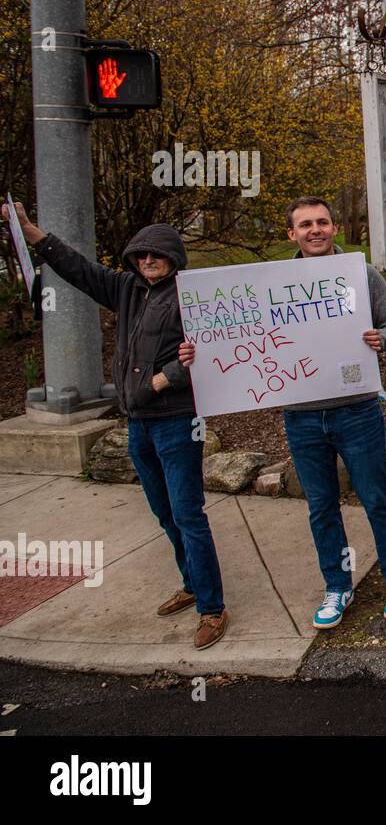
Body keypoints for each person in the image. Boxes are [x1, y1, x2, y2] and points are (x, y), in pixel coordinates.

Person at [4, 202, 229, 649]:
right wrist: (32, 233)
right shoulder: (126, 290)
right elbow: (79, 269)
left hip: (176, 422)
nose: (148, 261)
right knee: (165, 513)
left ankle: (212, 607)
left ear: (174, 258)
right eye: (141, 255)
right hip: (138, 425)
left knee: (188, 514)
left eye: (157, 254)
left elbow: (217, 346)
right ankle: (192, 583)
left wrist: (166, 378)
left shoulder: (193, 296)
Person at [182, 197, 386, 630]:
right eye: (305, 224)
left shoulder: (362, 276)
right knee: (321, 506)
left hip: (357, 410)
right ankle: (337, 585)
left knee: (377, 499)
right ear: (292, 234)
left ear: (334, 227)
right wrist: (199, 352)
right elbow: (235, 334)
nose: (315, 230)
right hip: (302, 416)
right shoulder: (271, 284)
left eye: (323, 222)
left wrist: (379, 338)